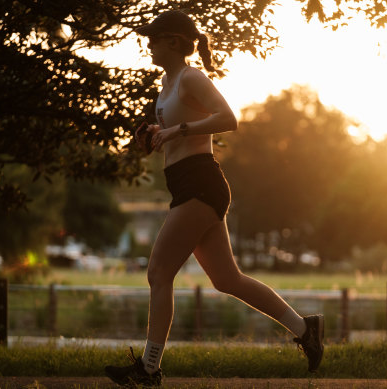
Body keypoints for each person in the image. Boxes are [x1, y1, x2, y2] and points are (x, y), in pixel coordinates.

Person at [104, 9, 324, 387]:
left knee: (158, 272)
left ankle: (149, 368)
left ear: (173, 42)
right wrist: (156, 134)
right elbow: (177, 134)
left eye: (153, 39)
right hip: (188, 184)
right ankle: (305, 328)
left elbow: (228, 118)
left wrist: (177, 130)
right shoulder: (168, 82)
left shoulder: (191, 77)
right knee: (227, 279)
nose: (148, 44)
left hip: (200, 184)